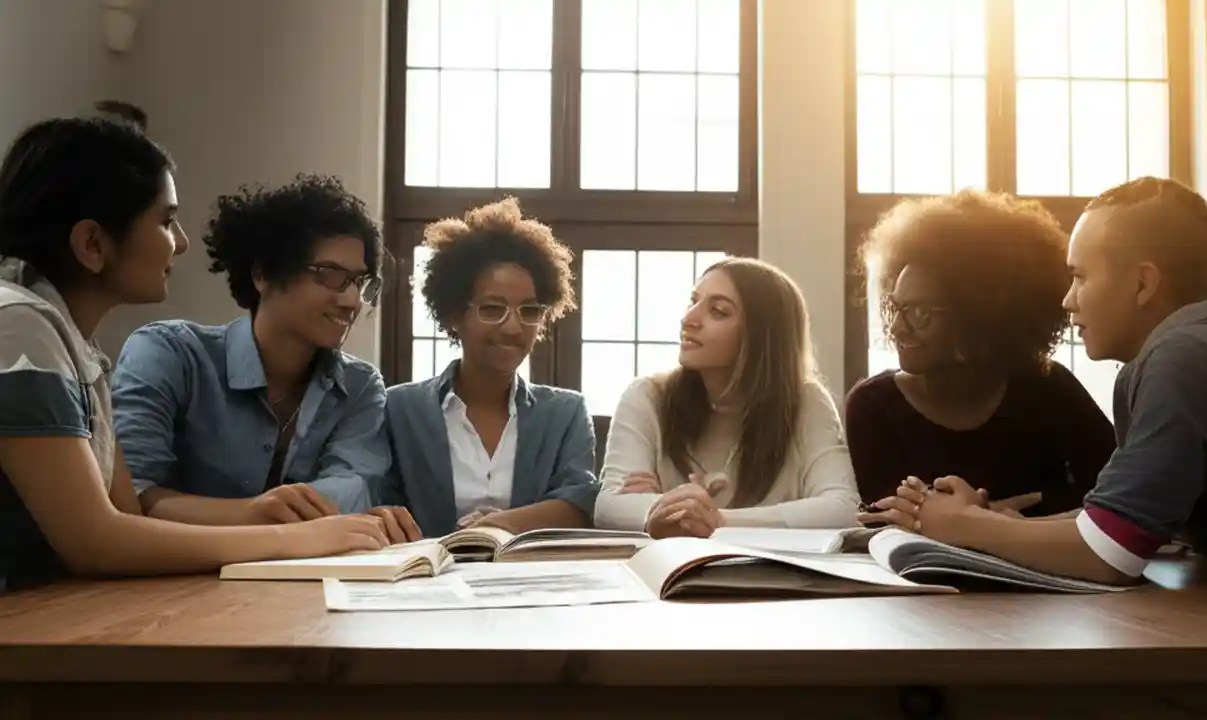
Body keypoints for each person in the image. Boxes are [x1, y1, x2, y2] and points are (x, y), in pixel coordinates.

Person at [0, 117, 388, 591]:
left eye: (359, 282)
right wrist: (290, 539)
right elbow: (97, 542)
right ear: (92, 243)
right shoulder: (19, 326)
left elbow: (126, 515)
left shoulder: (77, 348)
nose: (180, 242)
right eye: (166, 221)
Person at [881, 177, 1207, 583]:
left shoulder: (1182, 362)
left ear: (1143, 284)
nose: (1067, 299)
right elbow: (1126, 518)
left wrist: (961, 525)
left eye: (1081, 277)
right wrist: (996, 523)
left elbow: (1112, 551)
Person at [111, 175, 420, 543]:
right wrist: (248, 514)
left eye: (359, 281)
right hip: (168, 585)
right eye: (330, 276)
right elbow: (132, 497)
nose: (352, 300)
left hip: (303, 590)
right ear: (262, 273)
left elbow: (354, 489)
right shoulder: (170, 355)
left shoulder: (359, 386)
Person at [850, 190, 1116, 526]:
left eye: (919, 312)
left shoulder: (1048, 387)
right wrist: (1004, 513)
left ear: (978, 316)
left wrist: (984, 518)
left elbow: (1118, 493)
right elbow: (887, 521)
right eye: (895, 308)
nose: (898, 328)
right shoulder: (874, 406)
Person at [377, 198, 597, 537]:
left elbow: (581, 502)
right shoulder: (399, 409)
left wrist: (500, 525)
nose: (512, 327)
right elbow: (381, 503)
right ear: (453, 314)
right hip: (425, 581)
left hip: (533, 582)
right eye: (493, 309)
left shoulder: (565, 412)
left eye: (529, 311)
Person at [594, 257, 859, 537]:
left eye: (717, 311)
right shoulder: (647, 396)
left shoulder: (806, 401)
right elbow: (609, 506)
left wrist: (713, 520)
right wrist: (660, 511)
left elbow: (843, 508)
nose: (689, 319)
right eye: (693, 301)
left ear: (761, 335)